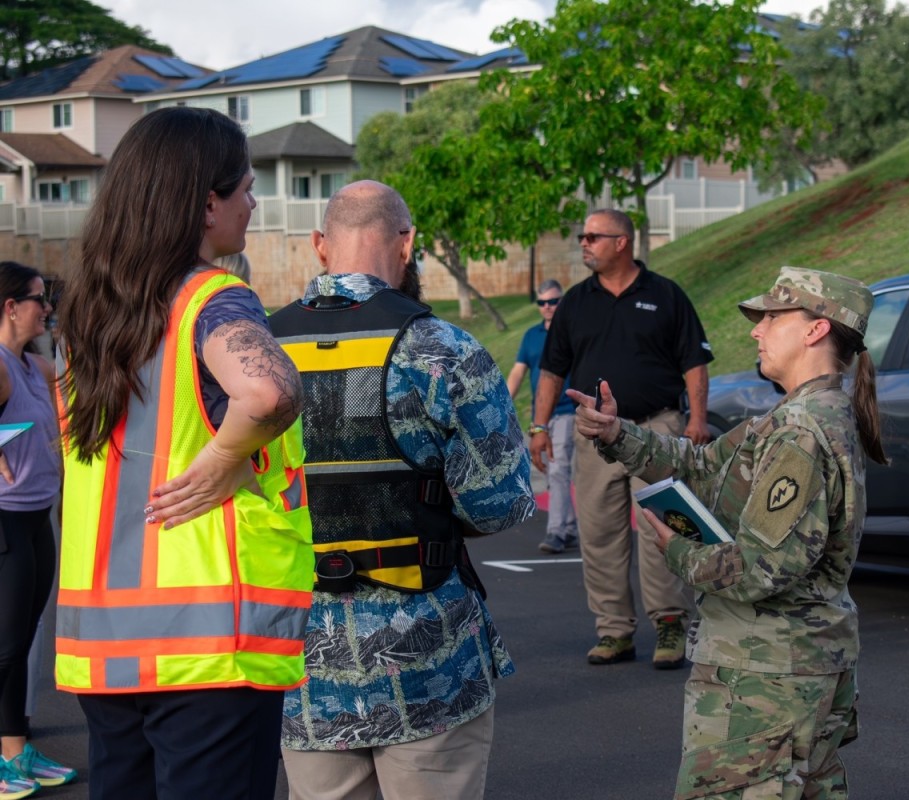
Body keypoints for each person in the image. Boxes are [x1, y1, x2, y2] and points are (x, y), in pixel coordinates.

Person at [54, 106, 313, 800]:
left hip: (104, 649)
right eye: (247, 188)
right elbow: (269, 391)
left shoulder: (90, 318)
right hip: (206, 647)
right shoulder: (211, 299)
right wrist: (226, 458)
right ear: (207, 202)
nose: (255, 204)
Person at [572, 266, 888, 800]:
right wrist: (617, 433)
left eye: (771, 317)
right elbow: (701, 465)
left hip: (766, 678)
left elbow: (761, 568)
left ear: (816, 330)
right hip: (796, 667)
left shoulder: (801, 433)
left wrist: (680, 553)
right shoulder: (803, 416)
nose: (755, 330)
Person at [270, 180, 535, 800]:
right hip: (426, 655)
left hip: (298, 654)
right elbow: (499, 505)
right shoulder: (443, 350)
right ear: (408, 242)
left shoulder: (252, 353)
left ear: (318, 246)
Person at [530, 208, 713, 670]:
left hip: (658, 428)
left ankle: (670, 624)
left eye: (593, 236)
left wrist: (696, 420)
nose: (583, 243)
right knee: (598, 532)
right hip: (594, 432)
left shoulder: (666, 295)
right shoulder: (575, 301)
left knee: (663, 528)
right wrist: (539, 427)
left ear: (622, 243)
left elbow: (695, 361)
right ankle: (614, 631)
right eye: (583, 236)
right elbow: (552, 369)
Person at [0, 262, 75, 799]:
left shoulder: (36, 366)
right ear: (9, 307)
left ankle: (15, 749)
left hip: (37, 519)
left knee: (22, 642)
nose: (46, 307)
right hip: (4, 520)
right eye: (37, 299)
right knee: (5, 646)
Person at [506, 278, 579, 555]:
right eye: (542, 303)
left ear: (562, 302)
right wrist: (503, 403)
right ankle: (569, 528)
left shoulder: (571, 332)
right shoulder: (531, 336)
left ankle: (556, 532)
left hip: (566, 411)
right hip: (541, 417)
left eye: (553, 302)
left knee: (559, 470)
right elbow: (517, 372)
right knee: (551, 471)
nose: (548, 307)